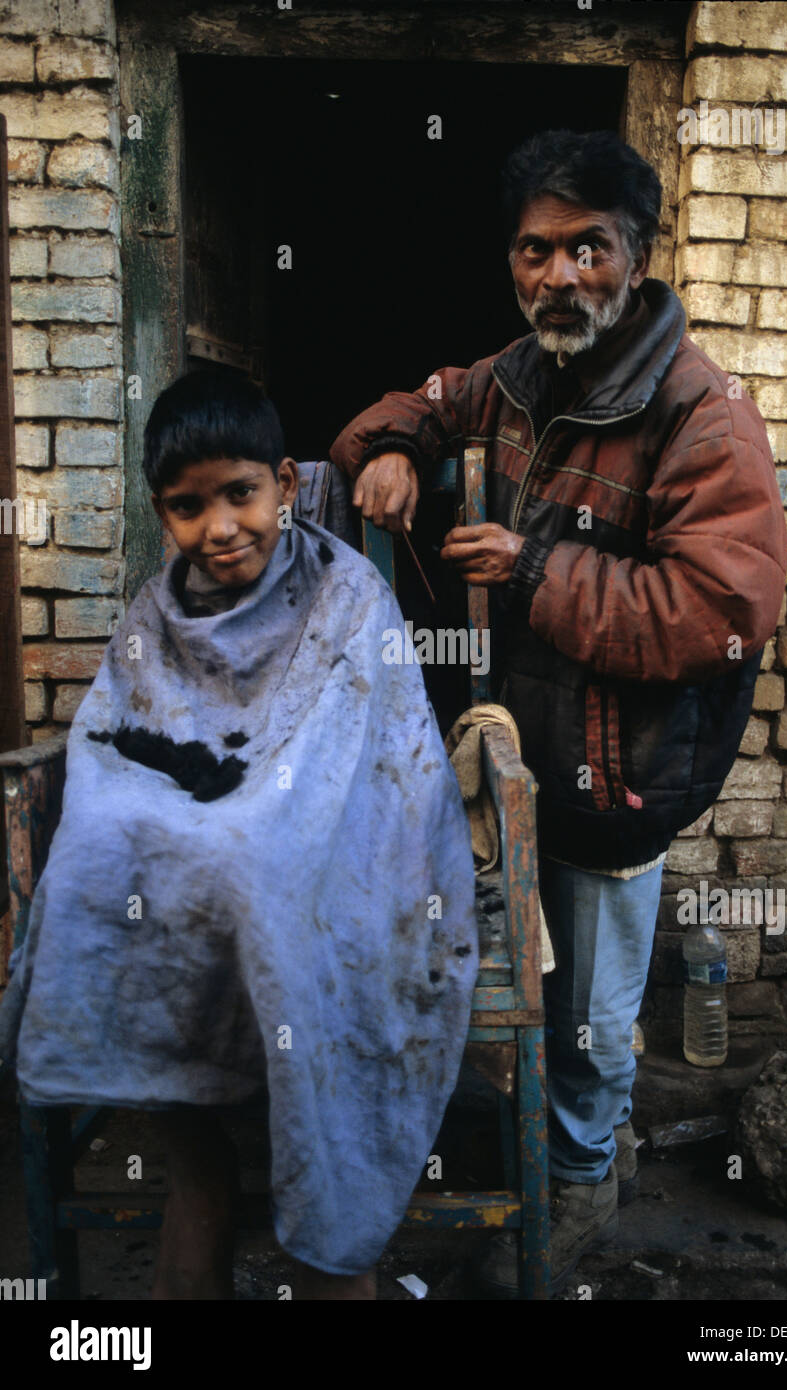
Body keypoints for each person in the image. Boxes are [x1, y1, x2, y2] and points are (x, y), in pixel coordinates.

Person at [330, 129, 787, 1297]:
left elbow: (713, 615)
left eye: (588, 246)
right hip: (509, 773)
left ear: (636, 254)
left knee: (588, 1013)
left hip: (616, 779)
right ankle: (555, 1152)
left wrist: (532, 571)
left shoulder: (701, 415)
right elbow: (420, 402)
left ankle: (583, 1186)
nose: (559, 275)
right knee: (513, 989)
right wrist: (388, 444)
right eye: (536, 250)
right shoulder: (515, 377)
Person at [0, 369, 478, 1300]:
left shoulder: (348, 598)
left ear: (288, 487)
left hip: (333, 845)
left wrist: (253, 825)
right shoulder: (154, 614)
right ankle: (196, 1155)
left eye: (241, 494)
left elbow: (367, 763)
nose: (219, 527)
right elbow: (113, 746)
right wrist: (174, 824)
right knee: (91, 862)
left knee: (260, 864)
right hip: (195, 856)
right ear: (159, 511)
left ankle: (330, 1224)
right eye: (188, 507)